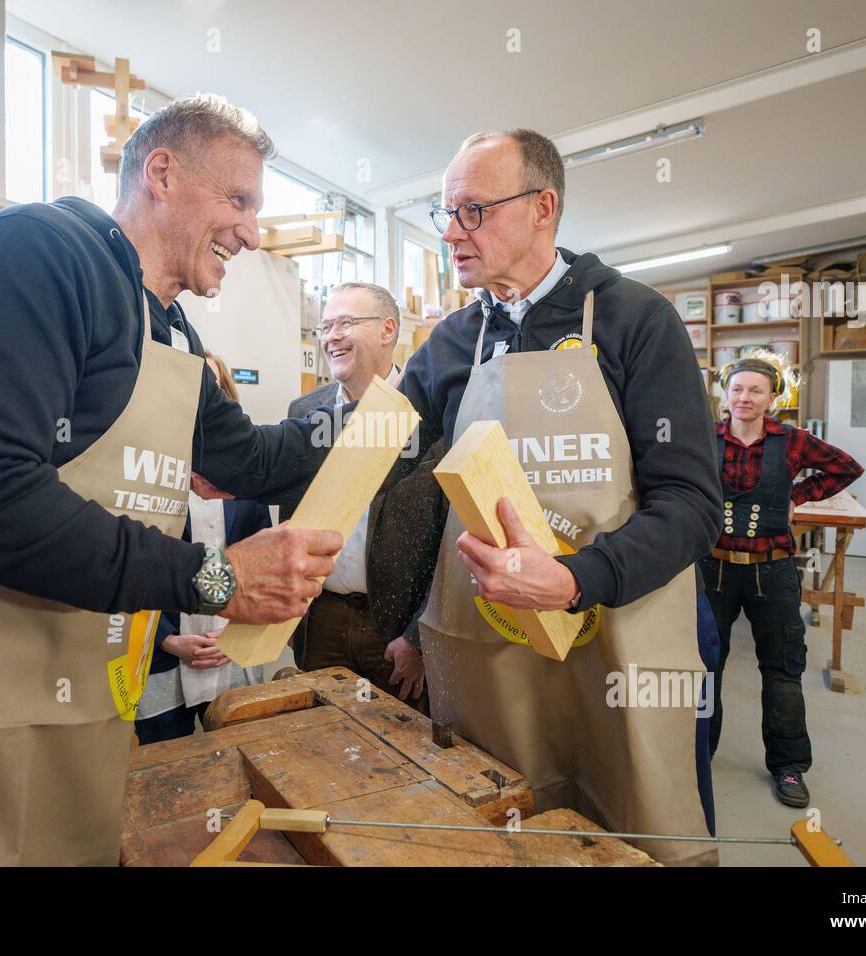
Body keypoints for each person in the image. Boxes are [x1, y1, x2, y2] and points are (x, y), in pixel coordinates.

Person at [0, 94, 348, 866]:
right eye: (239, 200)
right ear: (161, 172)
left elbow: (246, 462)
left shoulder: (167, 327)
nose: (253, 233)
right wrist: (214, 575)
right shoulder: (33, 255)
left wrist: (371, 414)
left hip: (59, 687)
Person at [393, 128, 724, 865]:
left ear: (543, 207)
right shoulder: (450, 343)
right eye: (444, 212)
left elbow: (694, 507)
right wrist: (242, 466)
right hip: (494, 640)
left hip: (621, 634)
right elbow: (369, 451)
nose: (450, 232)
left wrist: (577, 576)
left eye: (472, 210)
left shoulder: (636, 319)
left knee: (639, 824)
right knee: (510, 820)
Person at [699, 349, 863, 808]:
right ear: (725, 394)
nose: (744, 398)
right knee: (704, 668)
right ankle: (698, 755)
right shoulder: (703, 437)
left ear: (773, 397)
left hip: (772, 571)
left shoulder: (792, 441)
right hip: (712, 568)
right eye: (737, 389)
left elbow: (847, 468)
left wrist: (798, 496)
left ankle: (789, 768)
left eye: (755, 390)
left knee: (784, 669)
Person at [285, 283, 426, 709]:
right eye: (325, 326)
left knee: (403, 752)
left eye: (346, 322)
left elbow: (449, 535)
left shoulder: (428, 411)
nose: (330, 336)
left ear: (388, 330)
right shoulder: (304, 413)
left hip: (395, 632)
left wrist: (418, 635)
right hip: (320, 619)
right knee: (320, 745)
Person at [135, 351, 275, 743]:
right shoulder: (144, 473)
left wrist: (237, 635)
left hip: (232, 651)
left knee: (242, 755)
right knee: (168, 768)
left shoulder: (246, 478)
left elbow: (261, 562)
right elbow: (133, 563)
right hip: (164, 657)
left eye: (208, 387)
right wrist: (165, 637)